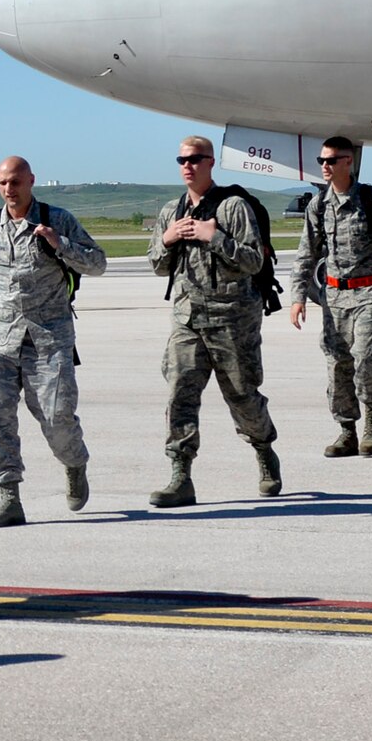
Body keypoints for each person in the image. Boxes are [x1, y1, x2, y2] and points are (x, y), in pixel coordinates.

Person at [0, 156, 107, 527]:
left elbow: (97, 263)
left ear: (31, 181)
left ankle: (74, 463)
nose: (9, 189)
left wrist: (60, 244)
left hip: (49, 338)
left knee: (57, 417)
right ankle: (8, 496)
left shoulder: (57, 220)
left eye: (15, 182)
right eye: (3, 183)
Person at [147, 135, 281, 506]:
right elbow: (157, 265)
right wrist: (168, 239)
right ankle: (180, 475)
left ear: (210, 162)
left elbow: (254, 261)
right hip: (187, 318)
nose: (187, 166)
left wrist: (215, 237)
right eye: (182, 160)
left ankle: (264, 449)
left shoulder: (234, 207)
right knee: (180, 394)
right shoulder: (171, 211)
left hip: (232, 319)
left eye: (195, 159)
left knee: (242, 396)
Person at [290, 136, 372, 457]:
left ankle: (371, 421)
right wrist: (298, 296)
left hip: (370, 293)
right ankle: (346, 430)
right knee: (337, 364)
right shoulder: (319, 205)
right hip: (334, 296)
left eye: (331, 160)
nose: (325, 166)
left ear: (348, 162)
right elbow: (306, 253)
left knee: (367, 357)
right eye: (321, 161)